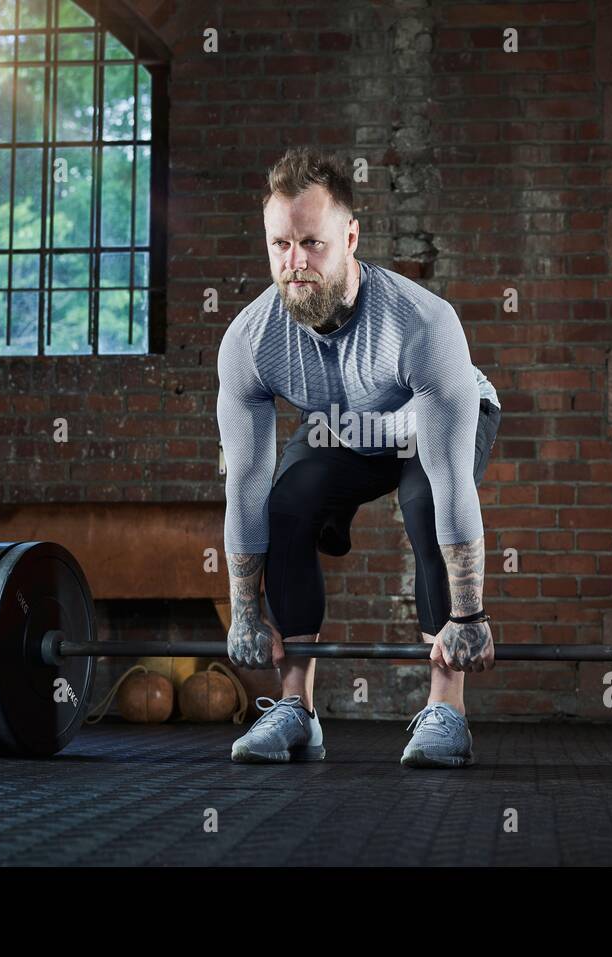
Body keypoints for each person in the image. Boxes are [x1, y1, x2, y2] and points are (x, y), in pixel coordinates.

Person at [216, 147, 500, 768]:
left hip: (429, 430)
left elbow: (451, 480)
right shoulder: (250, 340)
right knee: (285, 505)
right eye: (280, 245)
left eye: (312, 244)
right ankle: (296, 710)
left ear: (349, 238)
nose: (295, 264)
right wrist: (244, 611)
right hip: (342, 429)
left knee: (424, 500)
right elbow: (246, 483)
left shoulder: (422, 322)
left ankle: (447, 710)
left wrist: (469, 613)